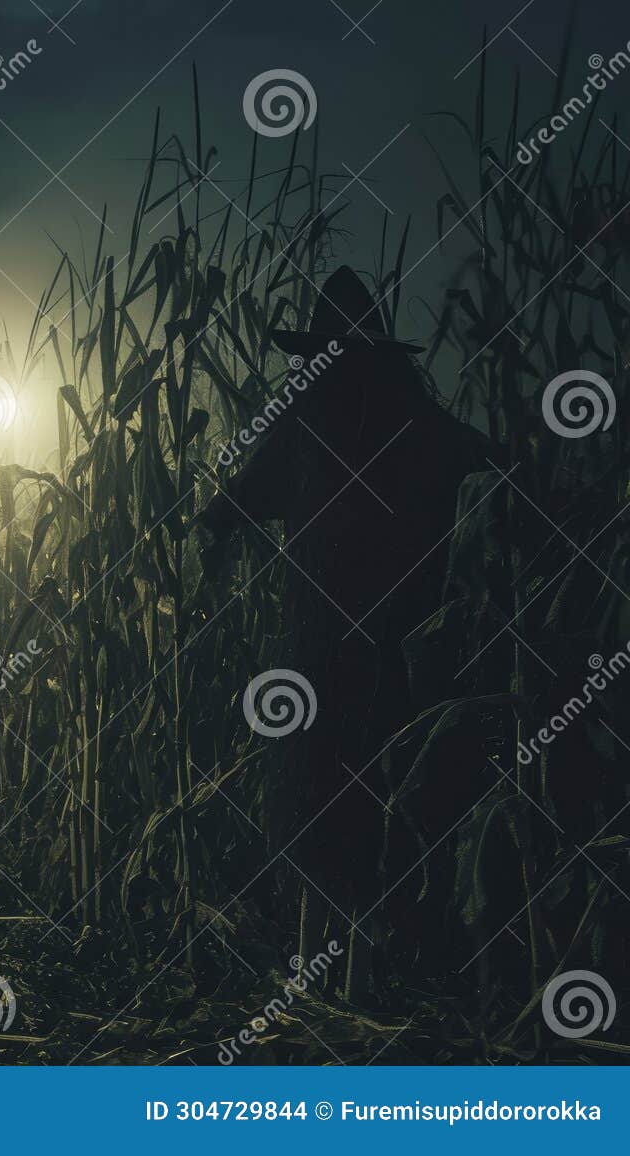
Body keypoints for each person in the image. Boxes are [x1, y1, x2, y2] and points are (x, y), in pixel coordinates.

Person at [200, 267, 493, 995]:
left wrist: (205, 525)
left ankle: (314, 973)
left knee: (313, 791)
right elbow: (490, 463)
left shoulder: (304, 419)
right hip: (400, 643)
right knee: (378, 789)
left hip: (318, 641)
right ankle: (358, 978)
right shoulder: (416, 420)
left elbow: (232, 505)